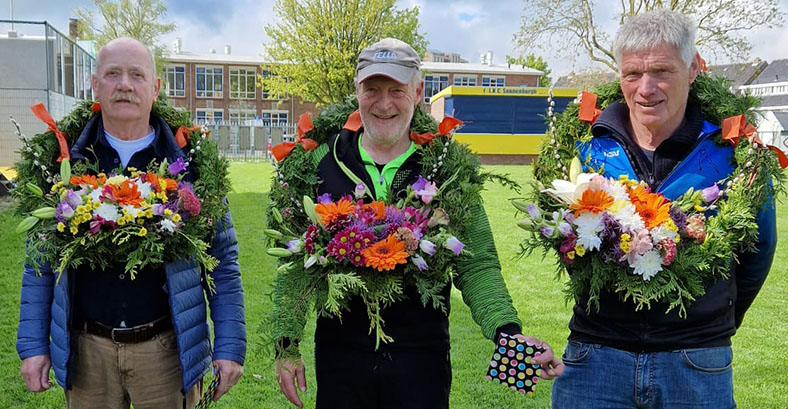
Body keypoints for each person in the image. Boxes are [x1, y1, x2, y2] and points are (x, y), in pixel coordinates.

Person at [272, 37, 564, 409]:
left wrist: (509, 334)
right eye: (372, 89)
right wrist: (286, 345)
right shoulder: (320, 162)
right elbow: (294, 265)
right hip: (341, 360)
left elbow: (476, 264)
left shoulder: (446, 168)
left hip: (421, 362)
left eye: (396, 90)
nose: (384, 104)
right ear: (357, 90)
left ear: (418, 91)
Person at [550, 10, 777, 409]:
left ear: (693, 68)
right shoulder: (586, 148)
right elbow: (567, 240)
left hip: (695, 360)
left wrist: (712, 318)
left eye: (661, 71)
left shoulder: (734, 153)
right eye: (632, 73)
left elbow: (758, 249)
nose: (645, 88)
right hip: (595, 357)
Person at [16, 37, 246, 409]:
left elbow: (222, 261)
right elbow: (39, 261)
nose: (124, 84)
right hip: (88, 356)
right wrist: (32, 345)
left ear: (155, 88)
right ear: (95, 84)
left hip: (167, 354)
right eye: (113, 74)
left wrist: (230, 345)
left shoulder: (191, 164)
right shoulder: (64, 160)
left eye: (137, 75)